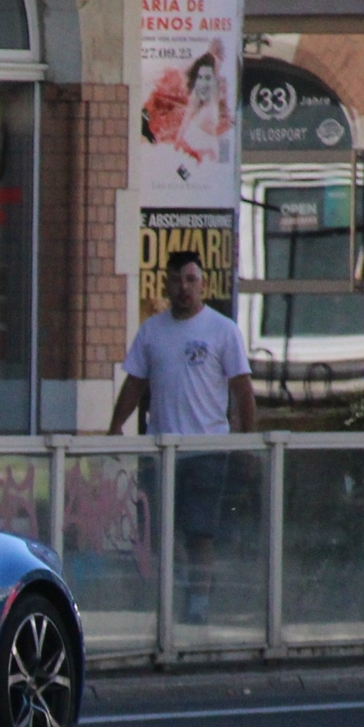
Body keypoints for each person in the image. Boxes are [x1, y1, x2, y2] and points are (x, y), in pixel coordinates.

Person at [110, 252, 255, 624]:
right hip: (160, 449)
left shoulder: (222, 331)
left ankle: (198, 602)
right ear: (167, 285)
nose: (183, 288)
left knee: (199, 531)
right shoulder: (152, 331)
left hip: (206, 448)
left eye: (191, 280)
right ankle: (167, 595)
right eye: (176, 281)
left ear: (202, 283)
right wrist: (114, 428)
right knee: (159, 530)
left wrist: (247, 442)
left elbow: (242, 389)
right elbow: (135, 383)